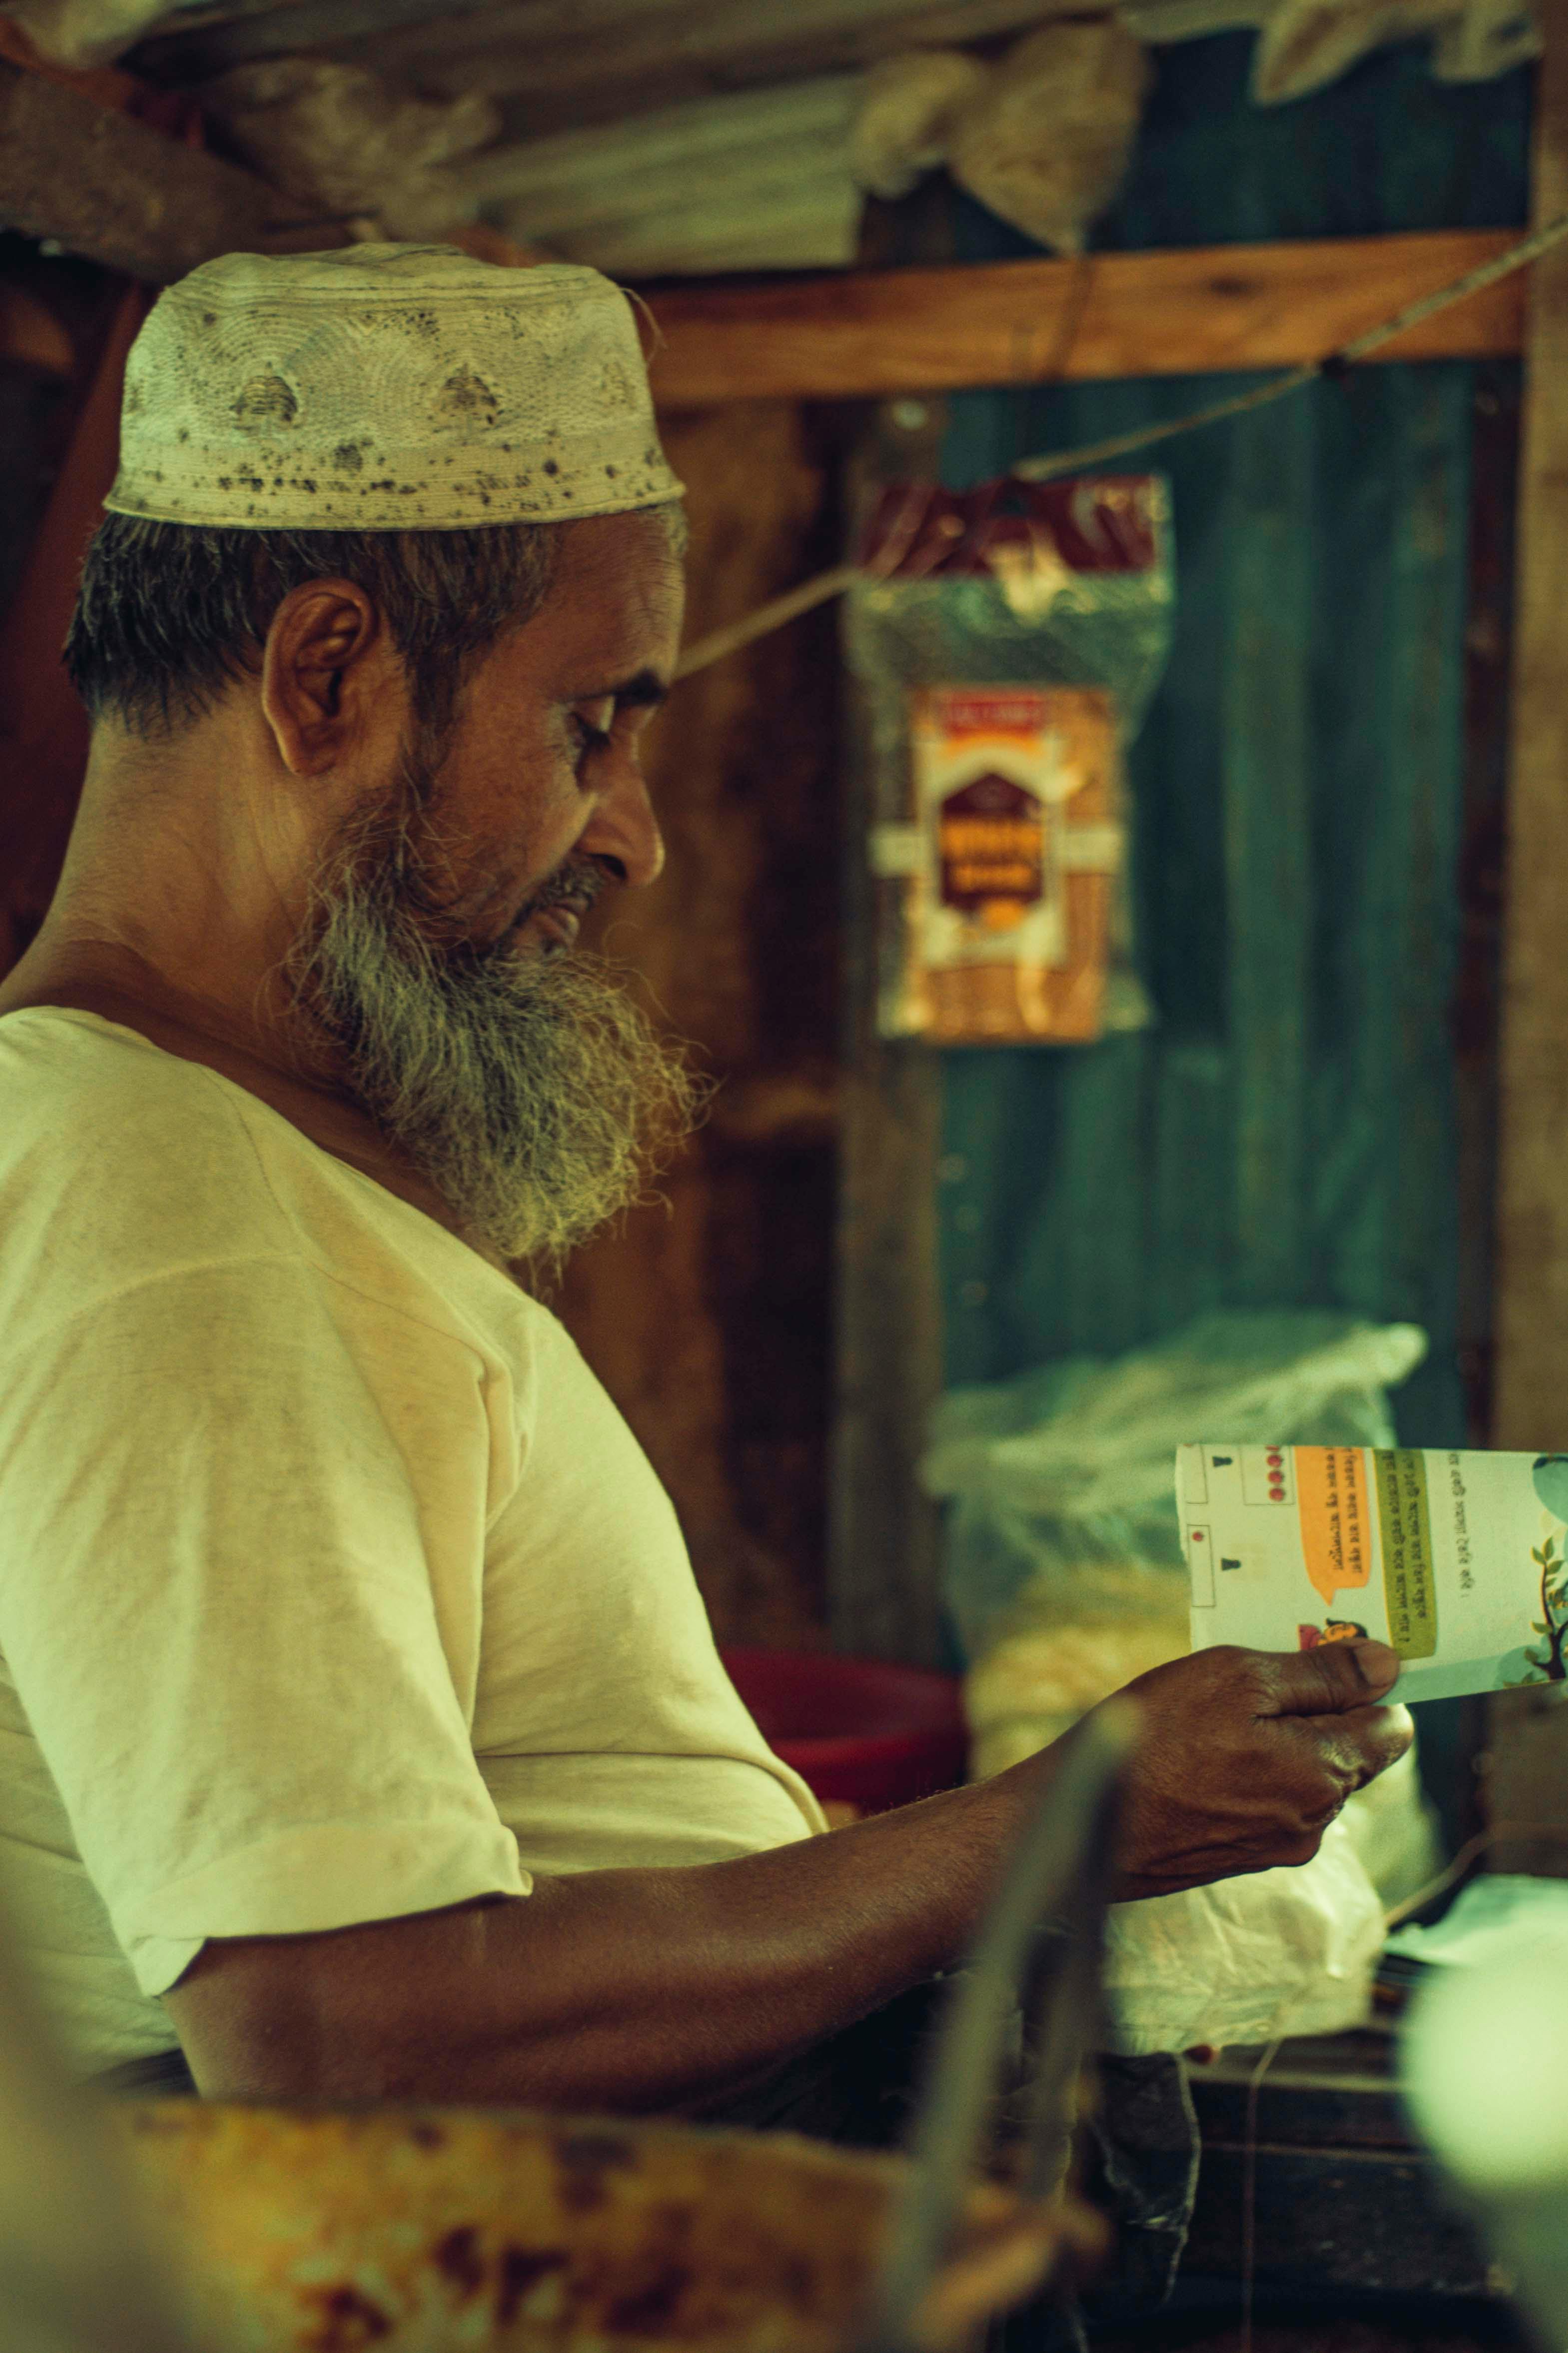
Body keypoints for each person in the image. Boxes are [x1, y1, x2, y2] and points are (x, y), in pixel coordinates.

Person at [0, 244, 1410, 2127]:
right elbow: (338, 2029)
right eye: (592, 725)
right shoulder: (167, 1211)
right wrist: (1055, 1824)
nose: (640, 834)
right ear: (325, 674)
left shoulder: (183, 1148)